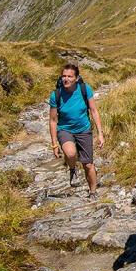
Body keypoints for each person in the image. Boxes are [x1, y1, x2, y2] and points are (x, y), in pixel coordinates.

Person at [48, 62, 104, 199]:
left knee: (88, 164)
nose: (66, 79)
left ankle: (92, 191)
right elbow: (53, 120)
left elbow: (94, 111)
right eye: (63, 76)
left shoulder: (85, 89)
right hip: (65, 130)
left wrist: (100, 134)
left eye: (69, 76)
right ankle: (73, 170)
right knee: (70, 153)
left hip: (84, 130)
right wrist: (54, 144)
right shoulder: (56, 95)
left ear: (76, 78)